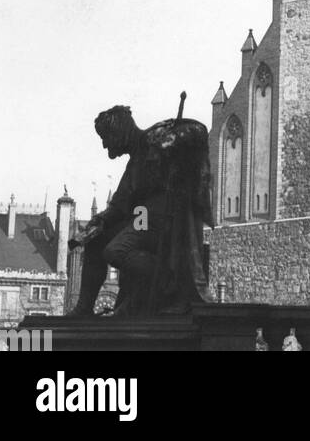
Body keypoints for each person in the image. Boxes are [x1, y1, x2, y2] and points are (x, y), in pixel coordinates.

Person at [67, 103, 213, 317]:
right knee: (97, 240)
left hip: (164, 218)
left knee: (115, 251)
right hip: (143, 219)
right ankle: (84, 307)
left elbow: (198, 131)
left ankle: (165, 277)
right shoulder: (134, 162)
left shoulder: (154, 140)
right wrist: (100, 220)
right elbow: (119, 204)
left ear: (119, 131)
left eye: (106, 139)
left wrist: (172, 136)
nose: (107, 147)